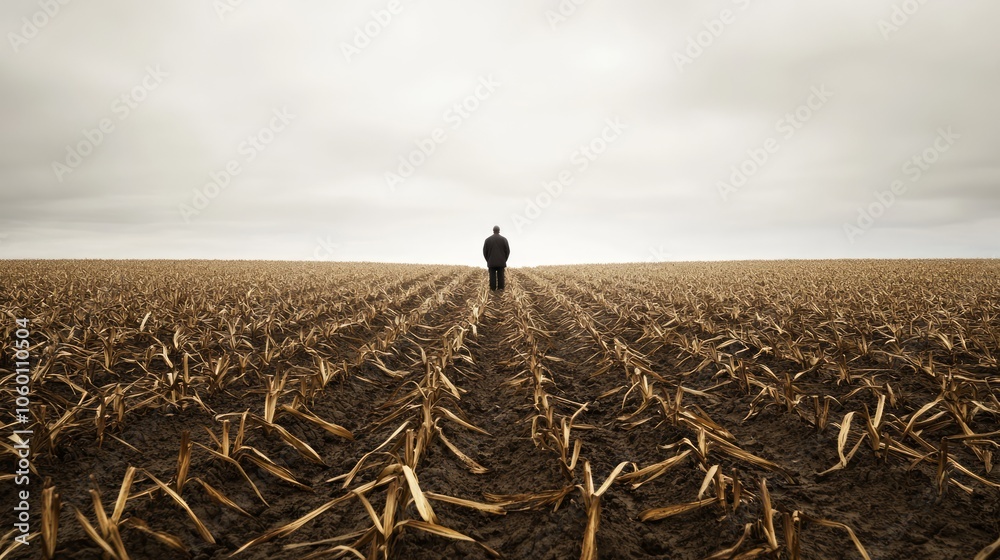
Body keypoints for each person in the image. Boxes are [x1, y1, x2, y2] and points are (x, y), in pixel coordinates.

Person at [483, 225, 510, 291]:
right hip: (501, 261)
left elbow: (484, 252)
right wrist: (504, 259)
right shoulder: (504, 239)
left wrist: (488, 260)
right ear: (499, 230)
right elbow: (508, 251)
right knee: (501, 276)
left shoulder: (487, 240)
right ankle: (500, 289)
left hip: (491, 261)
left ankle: (493, 289)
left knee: (492, 277)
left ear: (493, 230)